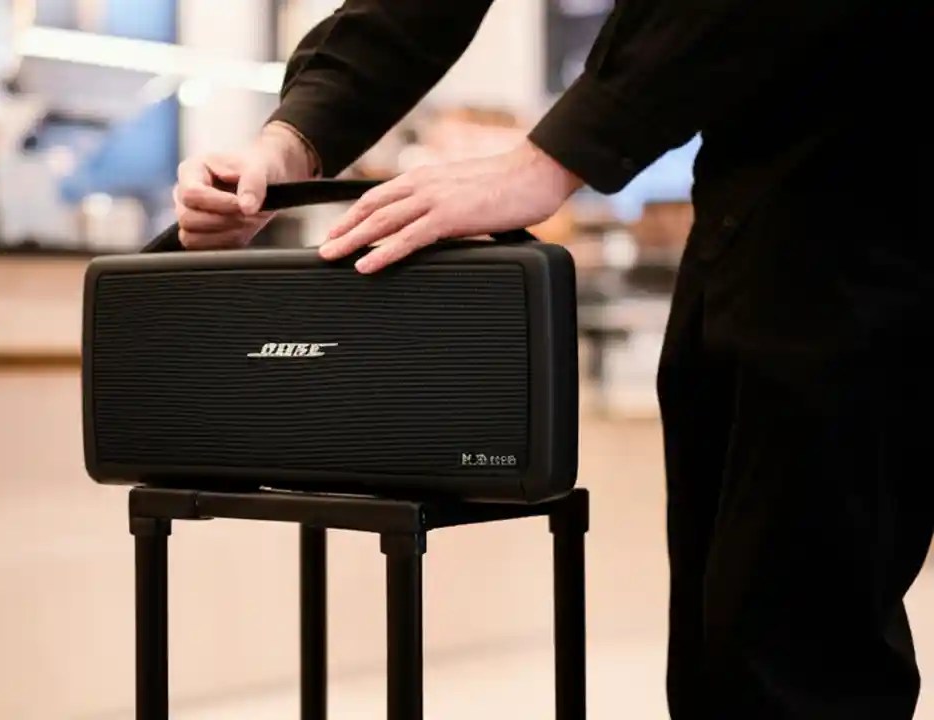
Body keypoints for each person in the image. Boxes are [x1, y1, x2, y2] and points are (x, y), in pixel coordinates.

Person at [173, 1, 932, 718]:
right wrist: (291, 141)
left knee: (794, 648)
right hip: (753, 192)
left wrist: (551, 159)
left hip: (866, 170)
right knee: (730, 653)